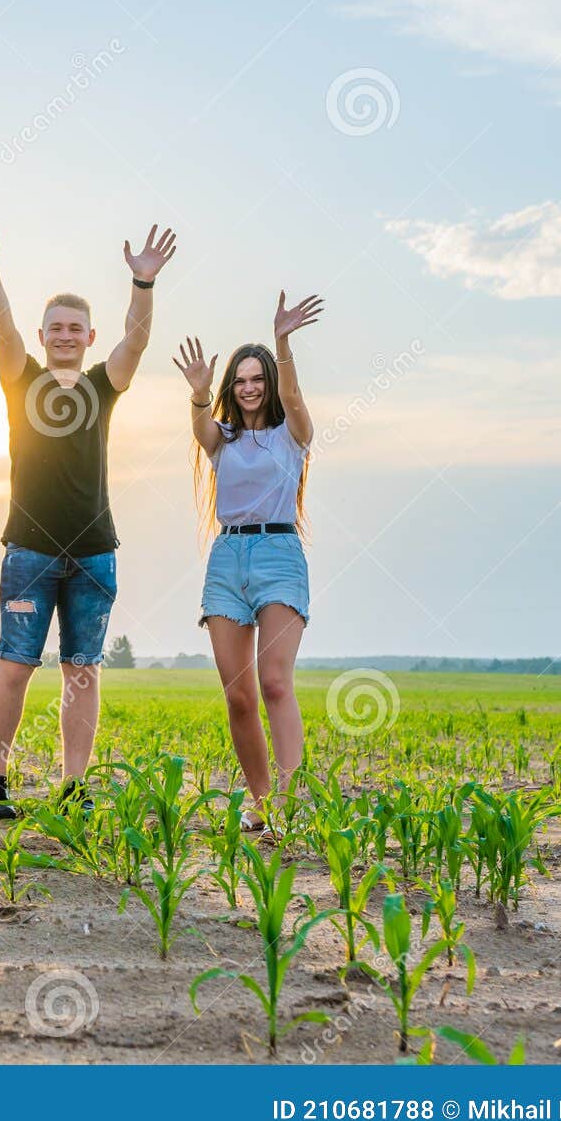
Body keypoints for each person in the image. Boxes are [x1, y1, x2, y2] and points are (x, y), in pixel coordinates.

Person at [0, 217, 177, 819]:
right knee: (15, 666)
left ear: (89, 335)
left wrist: (142, 284)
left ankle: (74, 788)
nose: (67, 336)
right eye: (57, 328)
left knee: (82, 672)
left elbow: (137, 341)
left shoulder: (105, 384)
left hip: (95, 553)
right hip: (28, 551)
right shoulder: (19, 377)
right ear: (43, 335)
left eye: (77, 329)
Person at [176, 290, 324, 832]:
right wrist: (197, 395)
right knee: (238, 694)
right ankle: (261, 802)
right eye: (239, 380)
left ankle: (288, 802)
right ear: (230, 389)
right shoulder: (224, 439)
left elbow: (294, 395)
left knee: (274, 683)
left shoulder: (293, 436)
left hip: (279, 556)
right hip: (227, 559)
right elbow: (201, 429)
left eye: (256, 377)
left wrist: (281, 342)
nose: (249, 387)